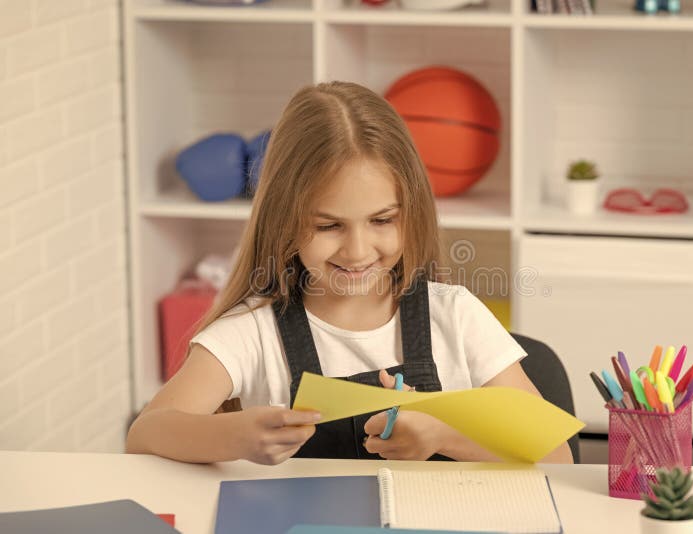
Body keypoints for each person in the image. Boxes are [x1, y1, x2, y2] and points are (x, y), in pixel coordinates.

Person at [126, 81, 573, 465]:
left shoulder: (455, 316)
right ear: (285, 220)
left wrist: (444, 434)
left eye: (382, 220)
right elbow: (144, 437)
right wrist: (234, 437)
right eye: (328, 226)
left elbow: (556, 454)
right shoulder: (252, 332)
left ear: (409, 212)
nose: (358, 251)